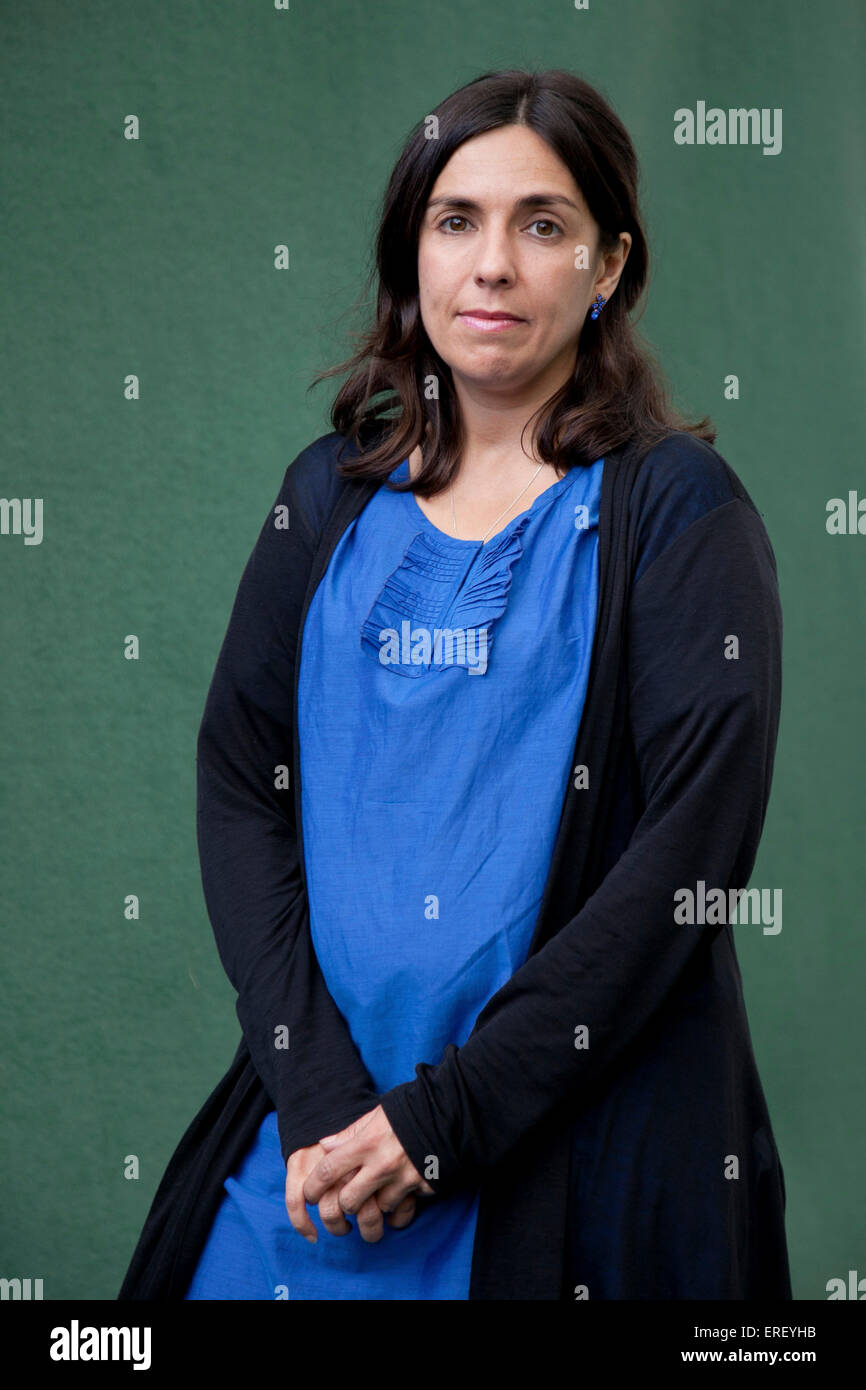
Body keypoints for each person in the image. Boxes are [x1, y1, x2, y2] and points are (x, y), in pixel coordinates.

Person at [119, 67, 791, 1301]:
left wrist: (445, 1121)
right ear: (411, 255)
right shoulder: (322, 498)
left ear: (608, 270)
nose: (491, 264)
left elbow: (686, 862)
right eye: (455, 220)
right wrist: (324, 1097)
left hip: (565, 1156)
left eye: (542, 225)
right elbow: (239, 787)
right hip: (320, 1150)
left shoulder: (678, 516)